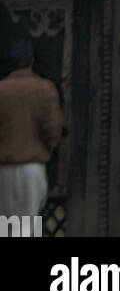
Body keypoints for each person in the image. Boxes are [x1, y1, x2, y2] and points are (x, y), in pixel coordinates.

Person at [0, 39, 63, 230]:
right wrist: (49, 148)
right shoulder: (45, 88)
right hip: (32, 167)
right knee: (28, 226)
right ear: (31, 61)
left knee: (6, 227)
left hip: (4, 167)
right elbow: (53, 130)